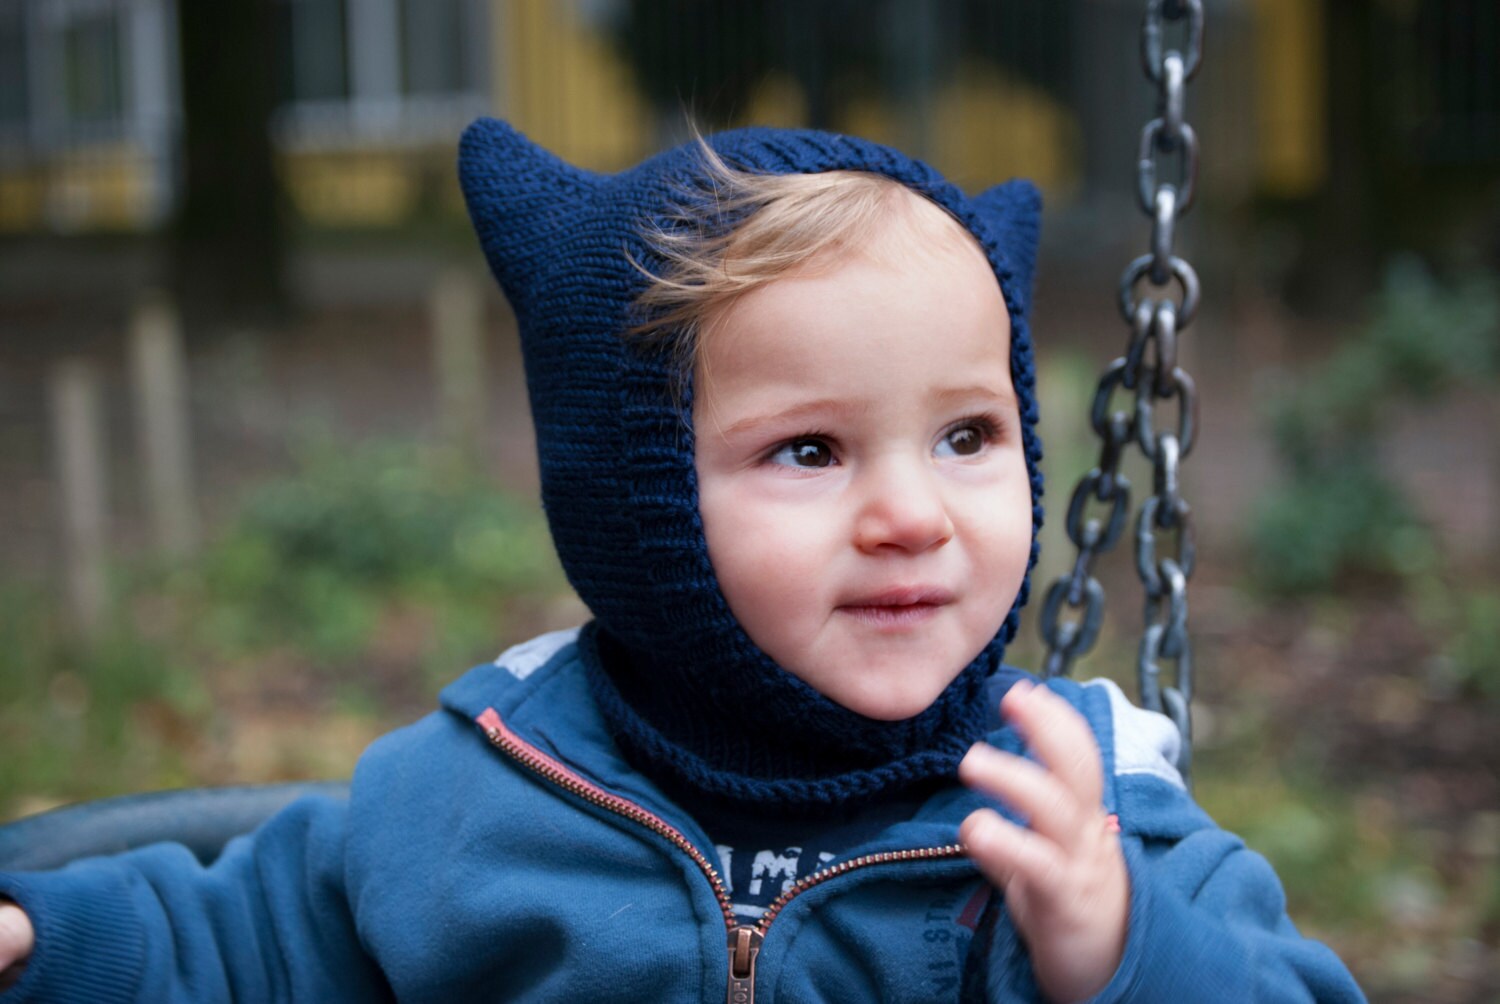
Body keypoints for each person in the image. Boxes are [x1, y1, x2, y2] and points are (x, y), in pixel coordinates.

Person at [0, 120, 1363, 1002]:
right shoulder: (486, 788)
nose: (912, 514)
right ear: (634, 503)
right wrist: (40, 945)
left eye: (967, 435)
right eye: (811, 451)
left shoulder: (1084, 812)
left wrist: (1122, 950)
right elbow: (239, 942)